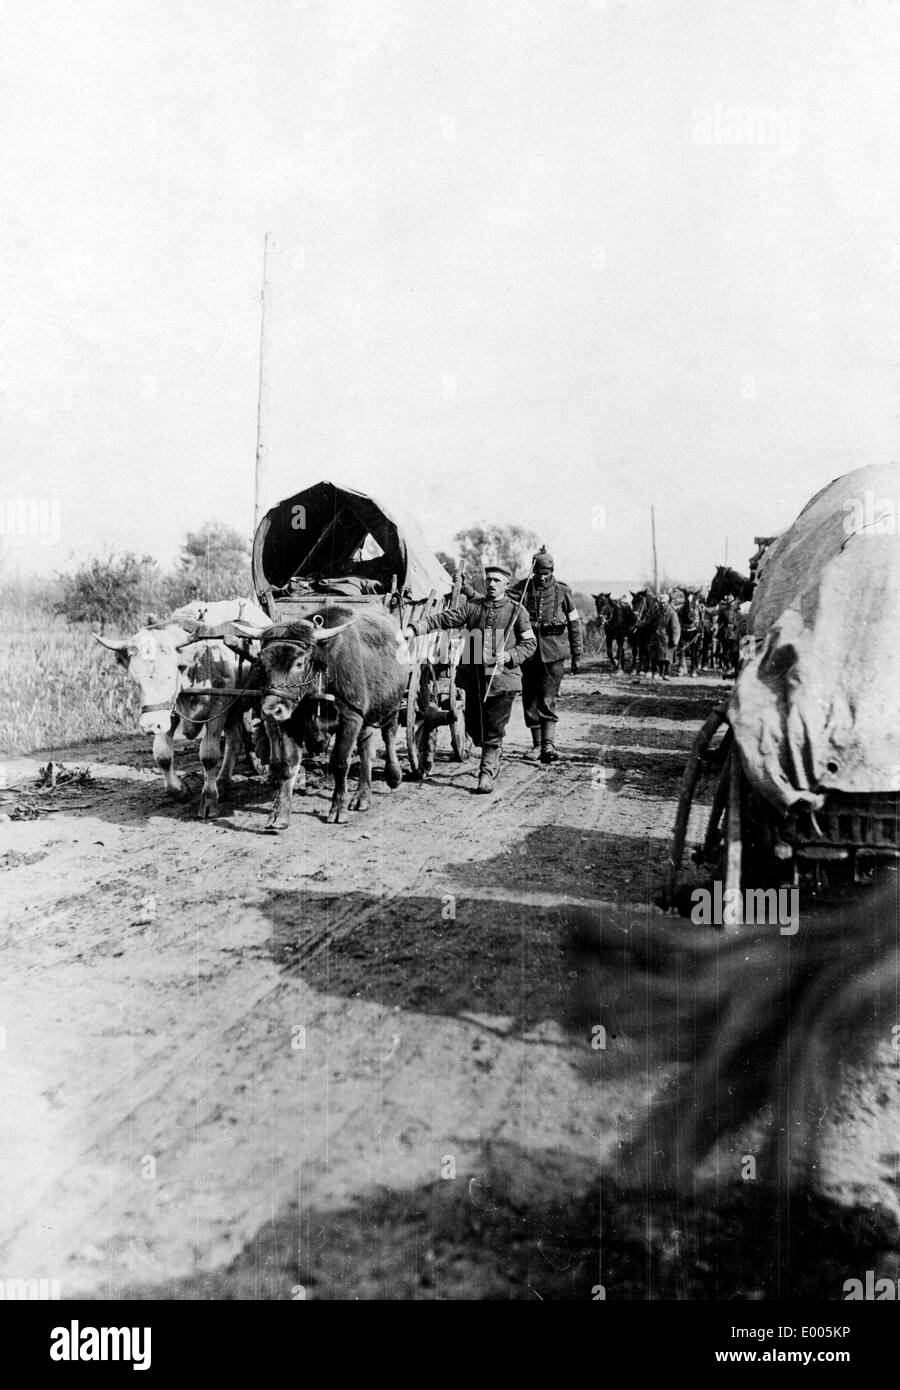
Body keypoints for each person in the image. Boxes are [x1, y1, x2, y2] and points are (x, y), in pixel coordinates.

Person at [404, 563, 536, 793]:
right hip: (473, 678)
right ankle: (491, 750)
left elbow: (530, 643)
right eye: (489, 580)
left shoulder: (517, 611)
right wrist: (416, 628)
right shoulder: (473, 607)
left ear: (507, 584)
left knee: (493, 729)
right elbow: (444, 619)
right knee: (476, 729)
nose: (492, 584)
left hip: (502, 679)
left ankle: (486, 773)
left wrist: (510, 655)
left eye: (497, 580)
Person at [508, 546, 583, 763]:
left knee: (548, 697)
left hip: (554, 652)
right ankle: (537, 745)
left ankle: (549, 745)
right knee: (530, 698)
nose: (543, 578)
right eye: (539, 573)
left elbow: (574, 623)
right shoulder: (523, 589)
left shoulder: (563, 591)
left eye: (547, 573)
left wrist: (577, 654)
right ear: (534, 572)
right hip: (529, 653)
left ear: (553, 570)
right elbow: (501, 601)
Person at [654, 592, 681, 681]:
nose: (662, 604)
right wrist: (640, 624)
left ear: (668, 602)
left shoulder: (672, 613)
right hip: (658, 637)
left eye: (664, 603)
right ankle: (661, 673)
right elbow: (650, 621)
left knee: (668, 658)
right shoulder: (658, 612)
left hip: (668, 638)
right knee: (660, 657)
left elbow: (676, 628)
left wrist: (675, 640)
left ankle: (667, 673)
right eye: (661, 603)